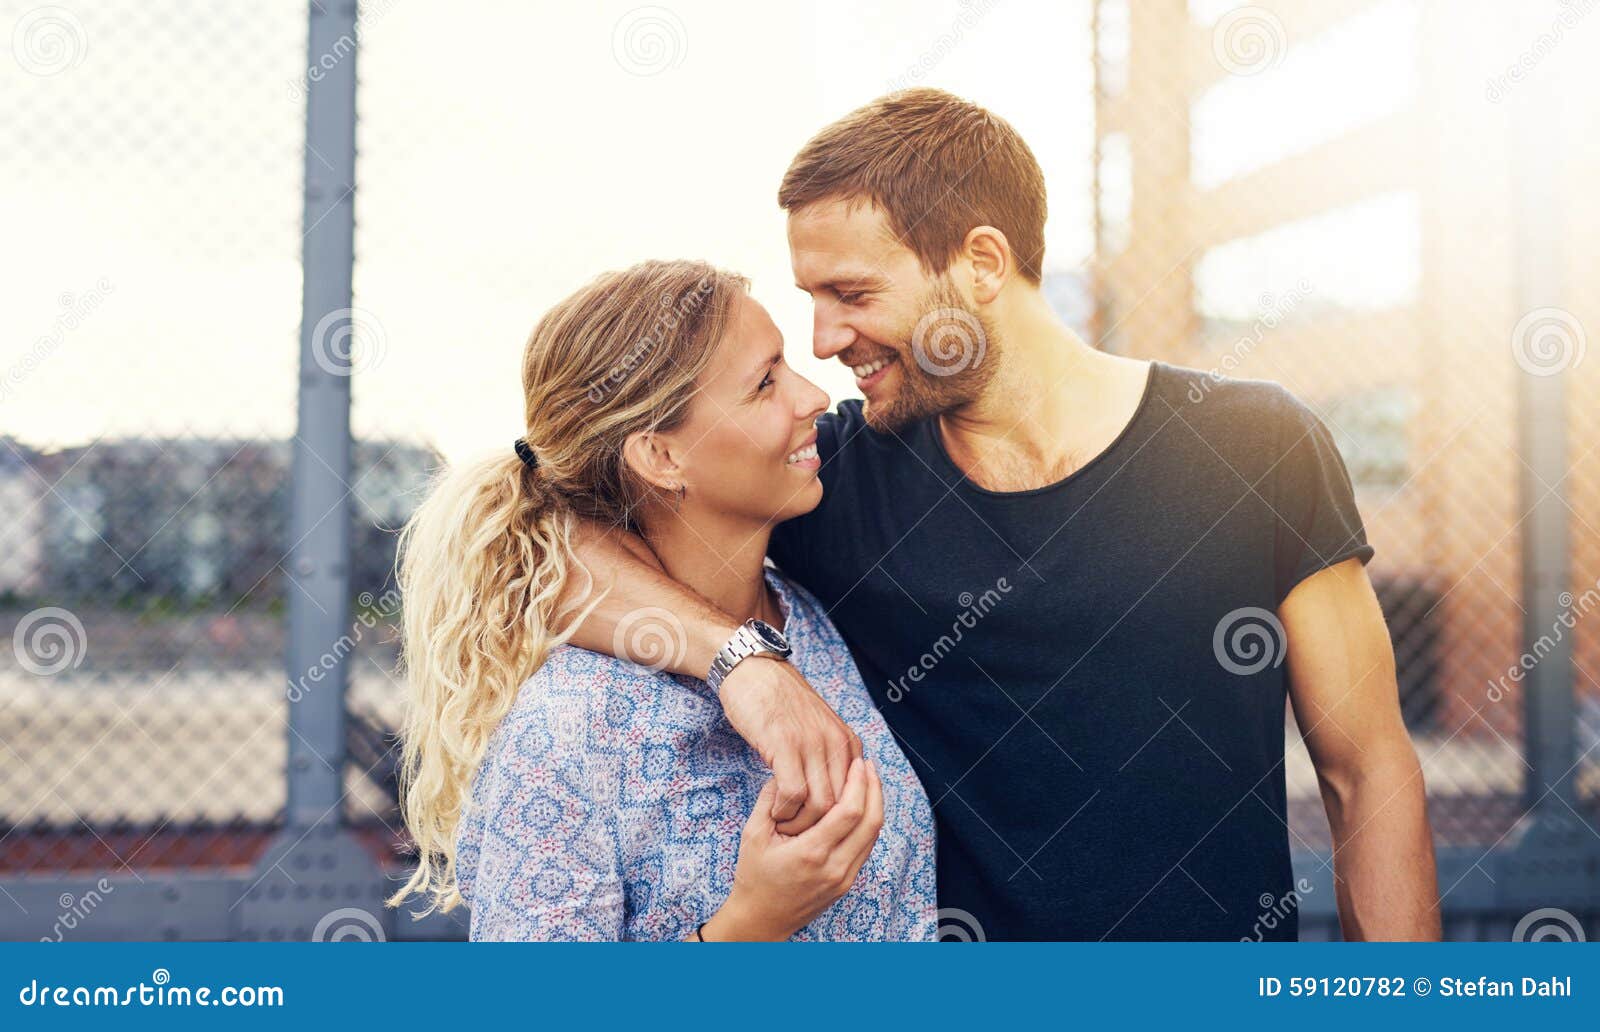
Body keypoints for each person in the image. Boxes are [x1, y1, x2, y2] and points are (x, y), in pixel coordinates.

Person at [559, 90, 1441, 941]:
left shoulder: (1256, 445)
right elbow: (554, 554)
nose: (824, 340)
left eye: (853, 295)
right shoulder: (829, 478)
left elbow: (1367, 774)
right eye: (812, 302)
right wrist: (741, 665)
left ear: (981, 264)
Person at [386, 259, 937, 941]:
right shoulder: (564, 731)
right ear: (662, 458)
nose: (813, 397)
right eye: (765, 383)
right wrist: (750, 925)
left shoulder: (815, 617)